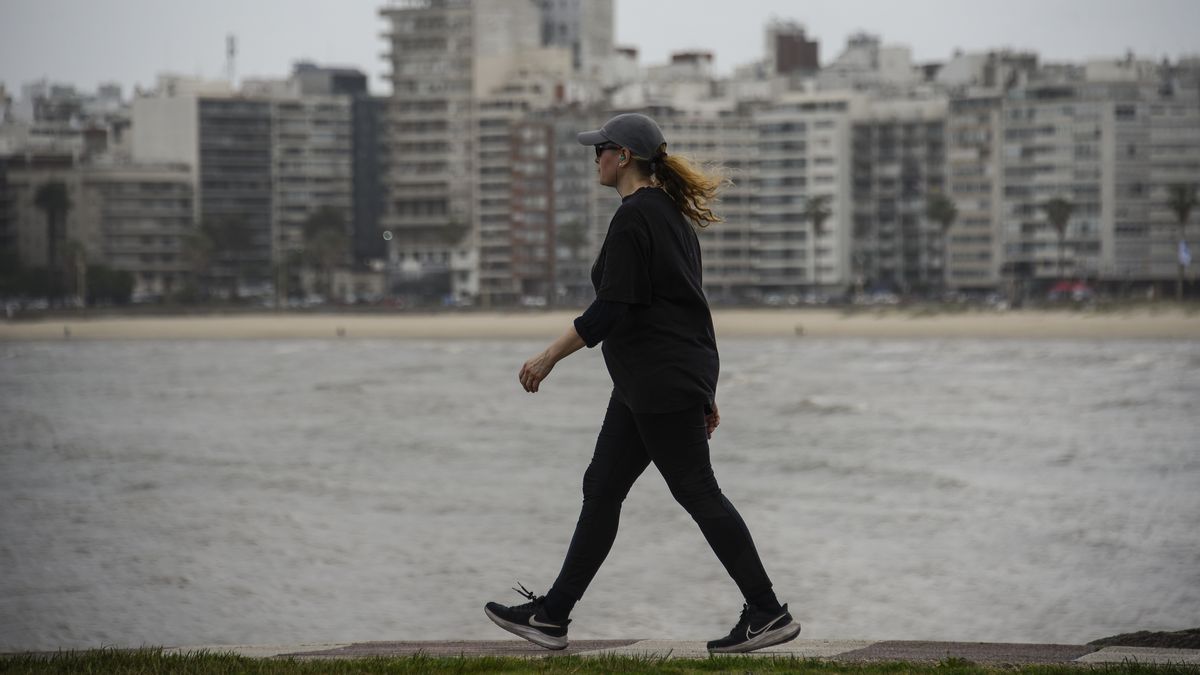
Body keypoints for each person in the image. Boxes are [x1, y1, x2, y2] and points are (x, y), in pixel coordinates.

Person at [483, 113, 800, 654]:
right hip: (649, 384)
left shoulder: (636, 219)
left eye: (600, 149)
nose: (595, 158)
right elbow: (690, 313)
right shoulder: (669, 217)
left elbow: (612, 308)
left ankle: (767, 611)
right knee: (602, 486)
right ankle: (552, 617)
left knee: (697, 491)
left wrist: (548, 357)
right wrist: (706, 389)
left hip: (657, 384)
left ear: (624, 156)